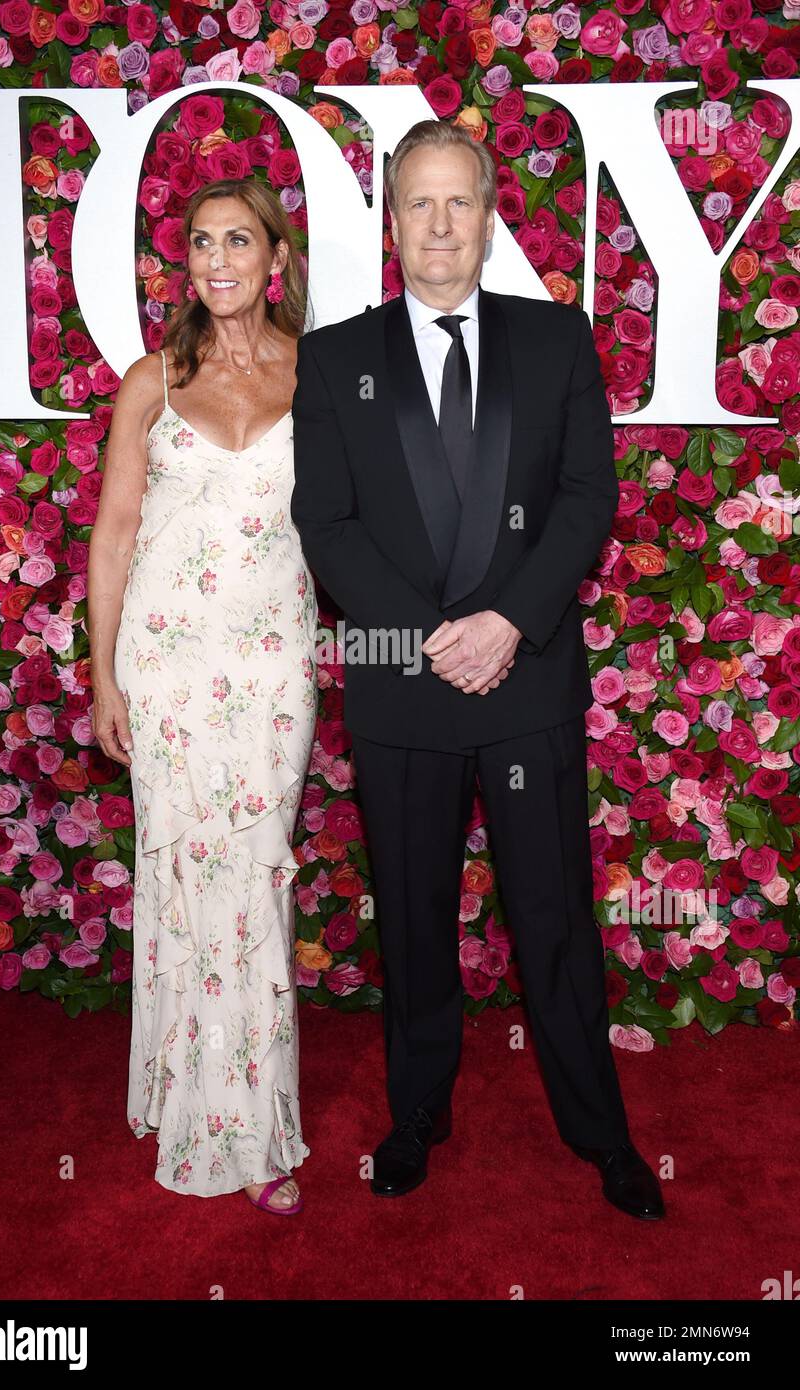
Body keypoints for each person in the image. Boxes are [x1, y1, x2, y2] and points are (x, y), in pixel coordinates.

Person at [291, 120, 664, 1221]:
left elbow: (588, 499)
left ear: (491, 219)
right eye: (420, 204)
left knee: (551, 919)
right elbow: (330, 525)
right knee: (412, 922)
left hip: (527, 682)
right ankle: (415, 1117)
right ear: (392, 221)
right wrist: (434, 635)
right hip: (405, 691)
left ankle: (601, 1132)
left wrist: (507, 620)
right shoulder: (337, 358)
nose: (441, 224)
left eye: (461, 203)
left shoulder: (557, 341)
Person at [89, 179, 318, 1213]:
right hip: (170, 664)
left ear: (276, 258)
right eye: (199, 243)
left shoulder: (320, 377)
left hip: (274, 666)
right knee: (186, 883)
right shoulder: (152, 378)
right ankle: (192, 1105)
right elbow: (115, 532)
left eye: (239, 239)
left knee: (257, 873)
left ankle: (258, 1123)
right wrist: (102, 672)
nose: (217, 258)